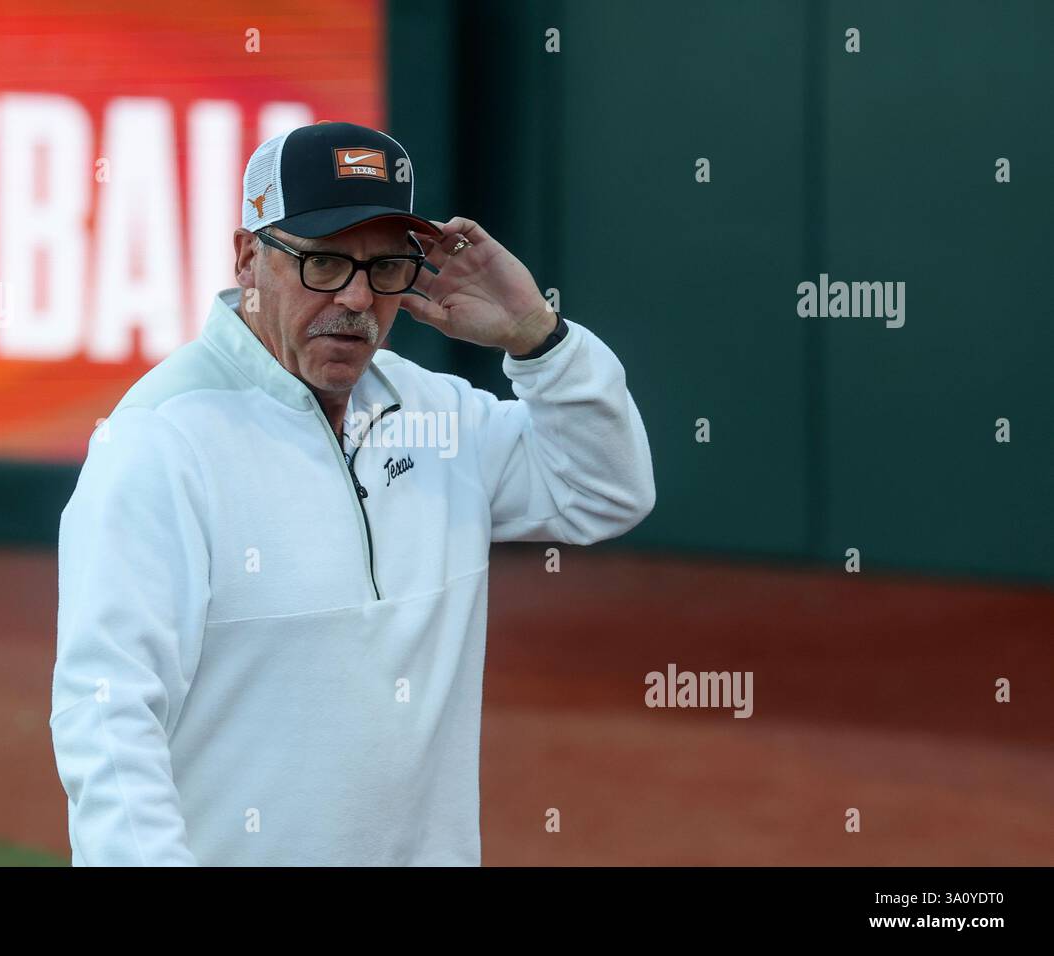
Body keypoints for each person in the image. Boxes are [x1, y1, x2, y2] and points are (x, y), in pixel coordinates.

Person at [50, 121, 656, 865]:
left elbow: (606, 491)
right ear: (248, 258)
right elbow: (107, 714)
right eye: (325, 262)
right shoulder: (161, 443)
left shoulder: (436, 415)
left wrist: (537, 338)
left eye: (388, 267)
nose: (358, 298)